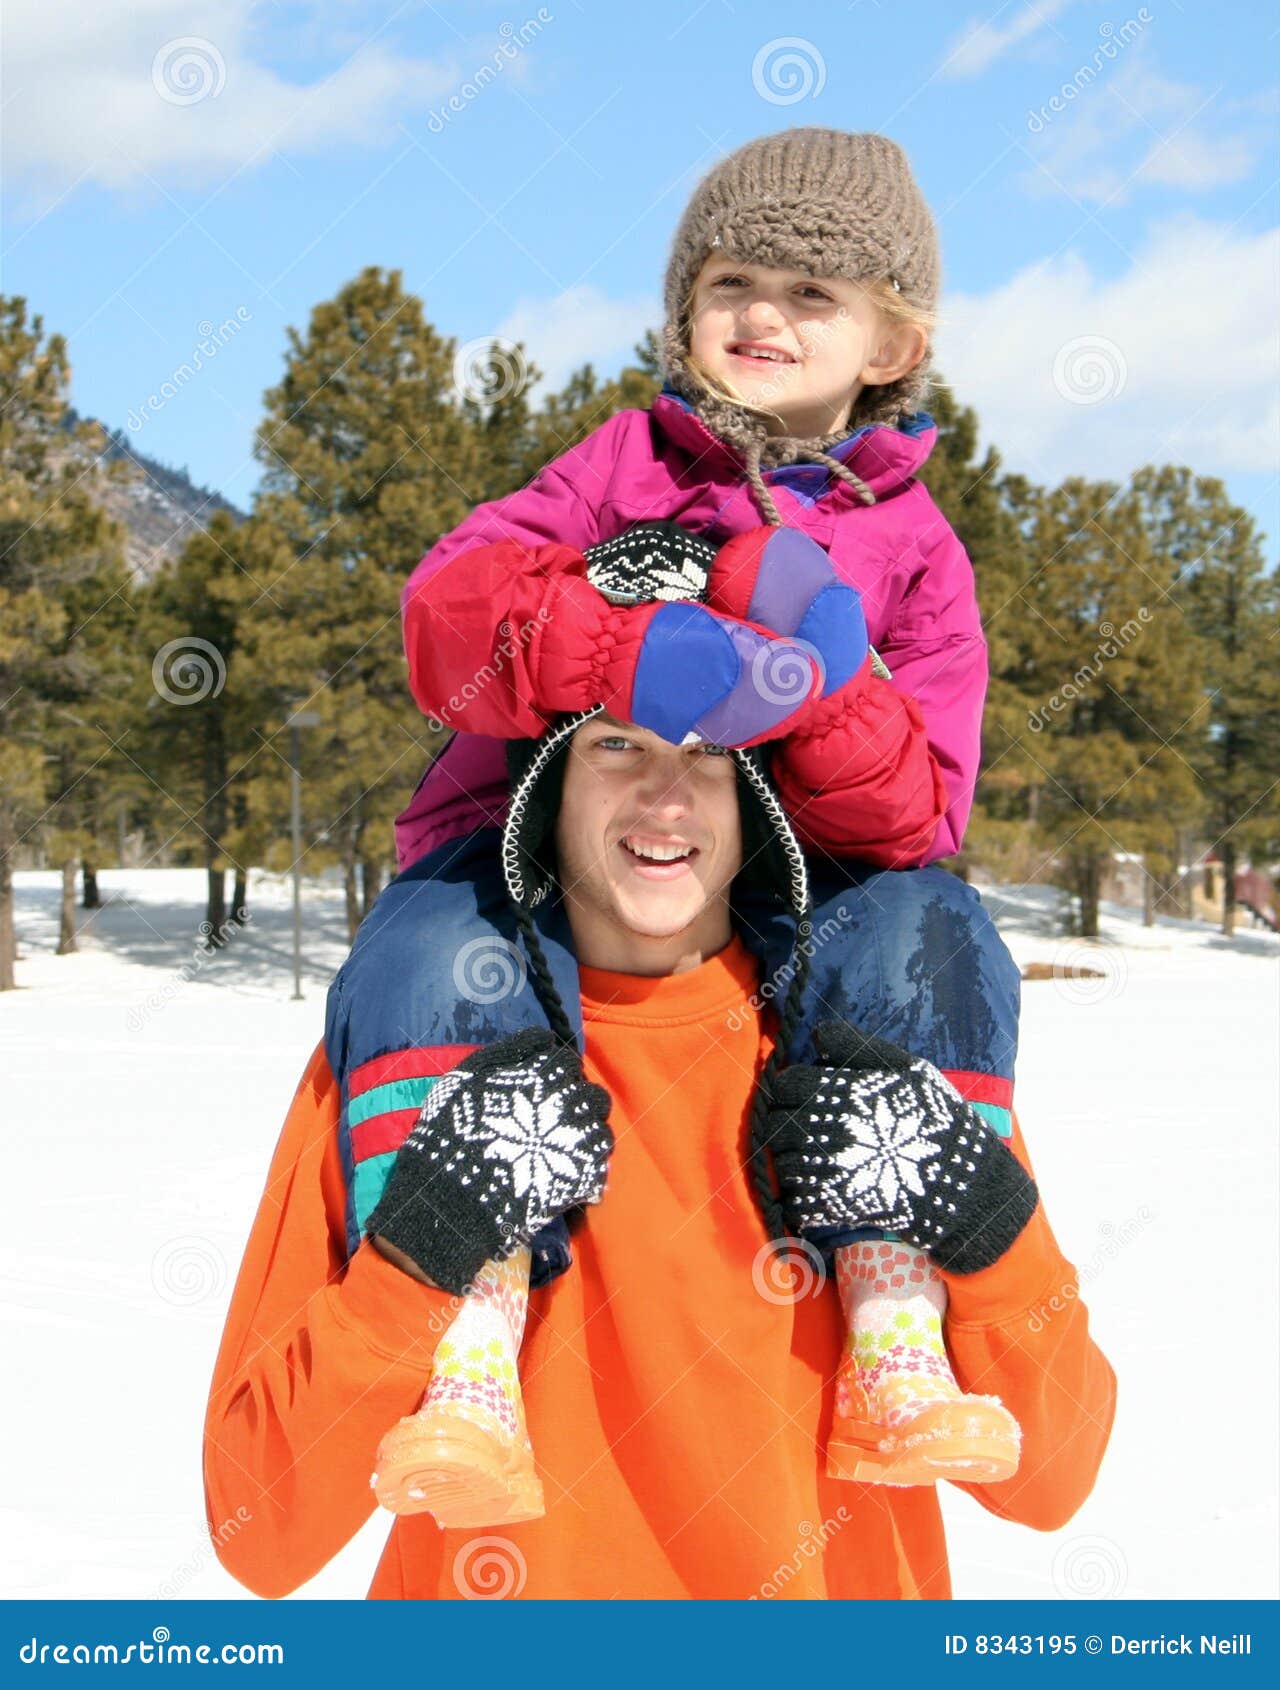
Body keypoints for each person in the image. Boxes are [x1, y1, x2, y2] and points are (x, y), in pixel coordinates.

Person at [356, 125, 1034, 1490]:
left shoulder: (918, 554)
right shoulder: (614, 470)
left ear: (893, 342)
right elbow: (447, 618)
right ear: (684, 308)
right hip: (532, 846)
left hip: (804, 882)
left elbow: (918, 819)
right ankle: (467, 1333)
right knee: (429, 957)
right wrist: (614, 649)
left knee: (934, 938)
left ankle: (895, 1305)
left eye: (813, 292)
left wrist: (823, 686)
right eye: (733, 281)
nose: (763, 314)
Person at [203, 708, 1116, 1601]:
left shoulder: (873, 1061)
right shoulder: (413, 1063)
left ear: (752, 794)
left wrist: (987, 1226)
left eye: (709, 754)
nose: (666, 799)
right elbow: (260, 1528)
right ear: (544, 785)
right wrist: (416, 1255)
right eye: (614, 746)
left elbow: (1049, 1481)